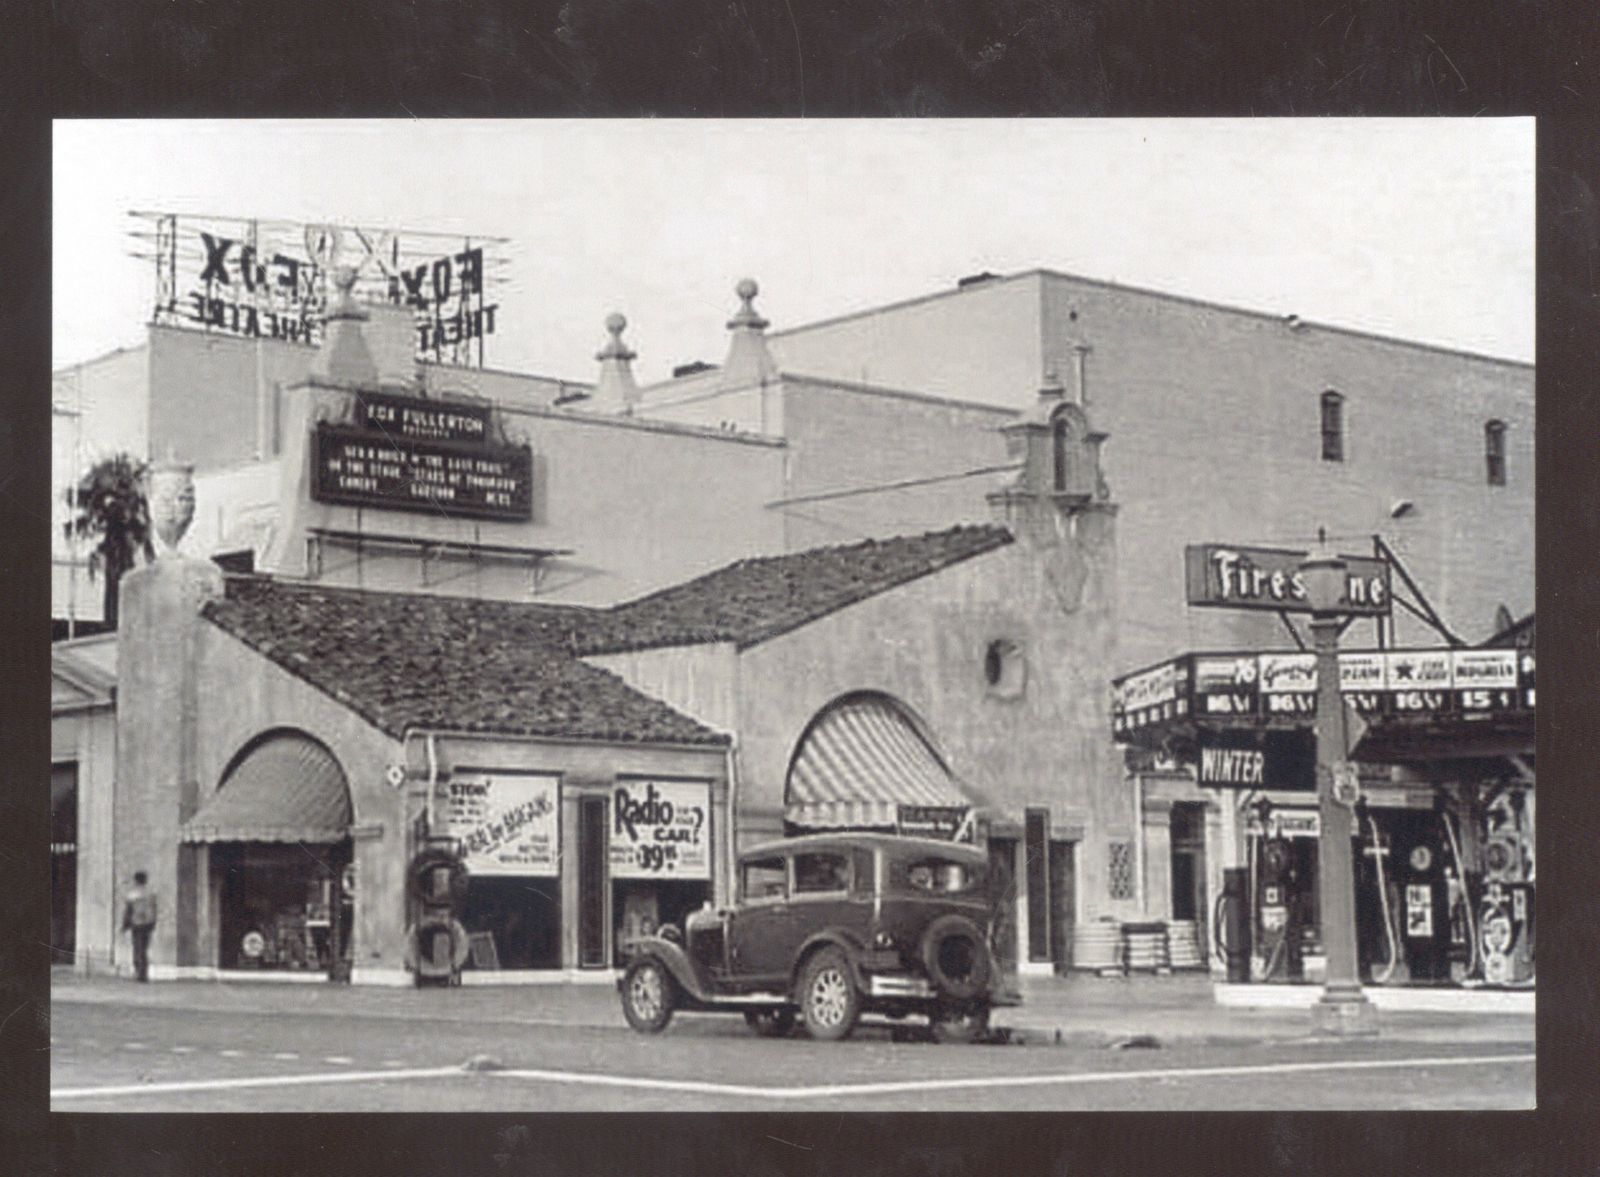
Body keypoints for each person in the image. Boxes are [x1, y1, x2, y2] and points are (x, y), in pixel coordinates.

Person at [121, 871, 157, 982]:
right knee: (144, 949)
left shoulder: (132, 895)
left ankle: (138, 972)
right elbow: (154, 909)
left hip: (136, 924)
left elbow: (128, 911)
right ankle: (143, 973)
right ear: (145, 880)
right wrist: (153, 923)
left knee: (137, 948)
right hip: (148, 924)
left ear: (136, 880)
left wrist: (125, 925)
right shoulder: (151, 894)